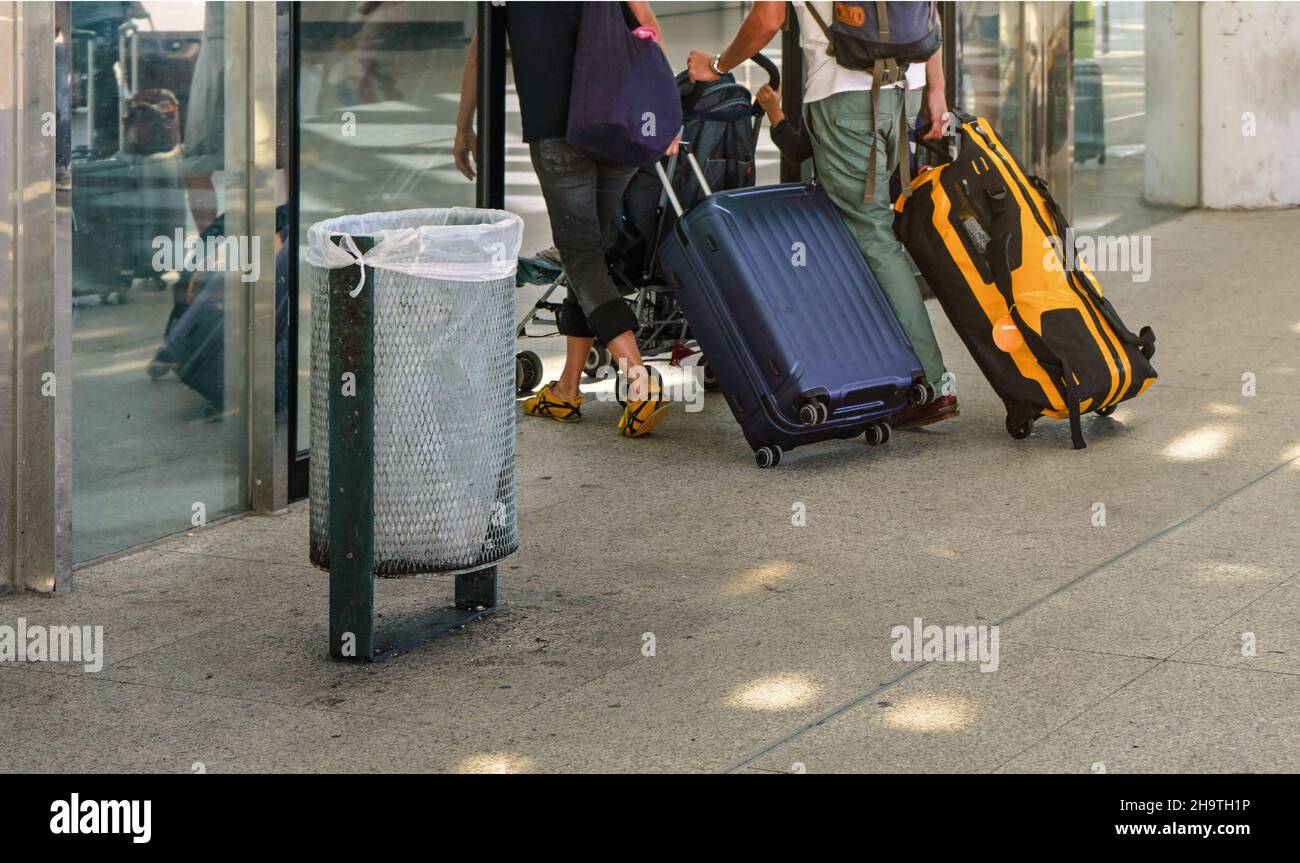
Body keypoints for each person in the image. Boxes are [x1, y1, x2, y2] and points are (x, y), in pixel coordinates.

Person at [687, 2, 958, 430]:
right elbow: (930, 14)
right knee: (864, 233)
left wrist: (719, 65)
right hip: (901, 93)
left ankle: (930, 382)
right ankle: (878, 370)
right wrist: (936, 89)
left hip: (844, 96)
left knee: (870, 237)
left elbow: (768, 18)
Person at [454, 2, 676, 438]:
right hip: (619, 124)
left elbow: (481, 53)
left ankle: (638, 380)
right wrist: (666, 113)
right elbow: (648, 25)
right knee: (588, 255)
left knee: (581, 256)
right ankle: (567, 388)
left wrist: (464, 128)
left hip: (559, 132)